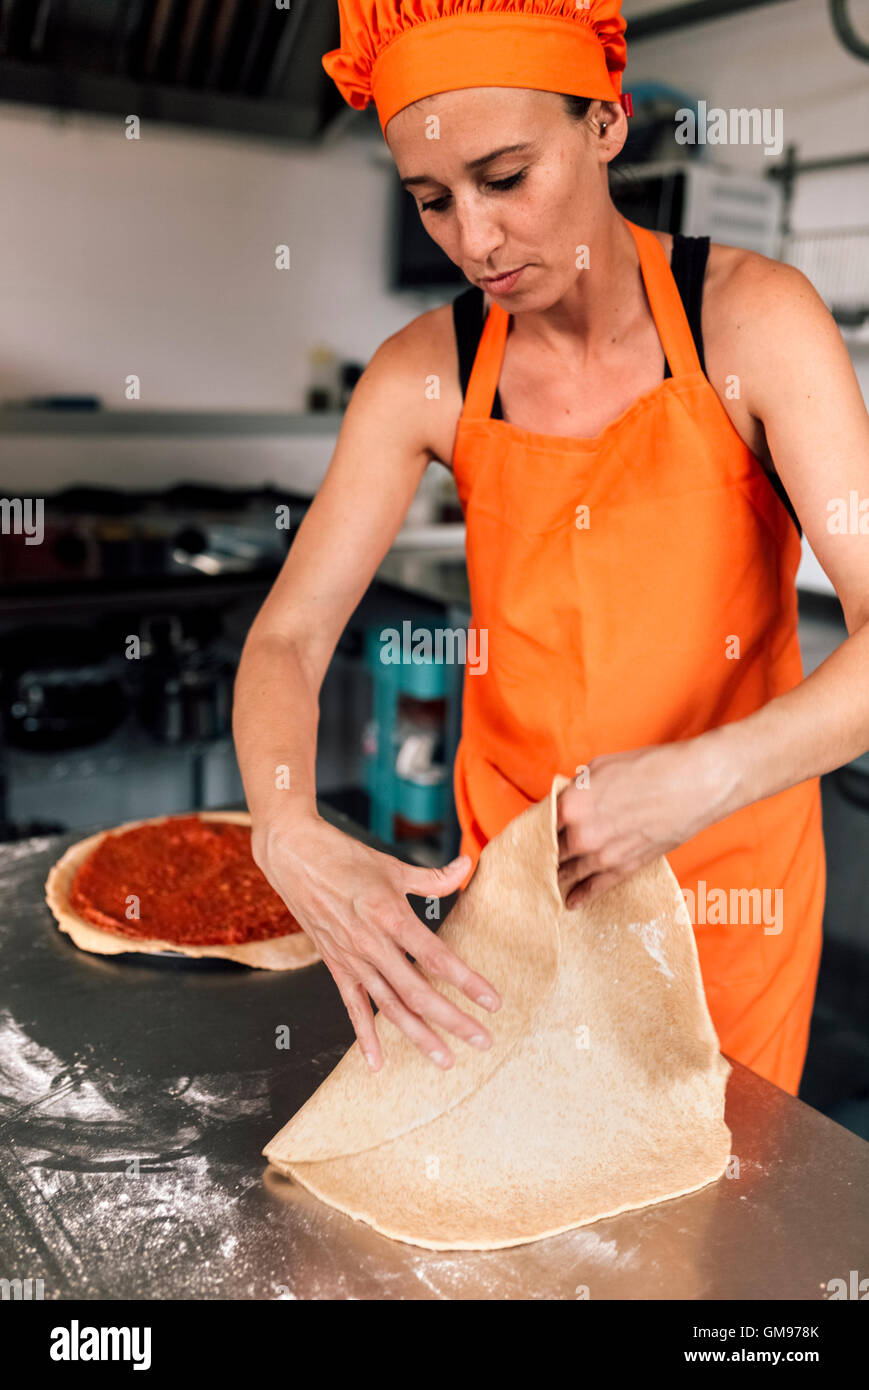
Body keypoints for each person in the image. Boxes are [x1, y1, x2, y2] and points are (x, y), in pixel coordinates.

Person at [234, 0, 869, 1097]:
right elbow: (288, 637)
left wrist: (697, 778)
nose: (472, 240)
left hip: (724, 892)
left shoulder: (754, 325)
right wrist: (283, 824)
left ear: (606, 124)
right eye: (431, 200)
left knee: (699, 1241)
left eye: (505, 176)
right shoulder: (422, 373)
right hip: (516, 900)